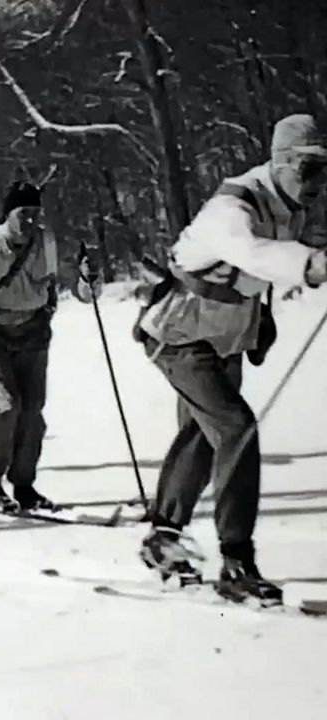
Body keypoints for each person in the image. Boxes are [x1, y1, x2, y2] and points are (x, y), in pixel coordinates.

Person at [134, 114, 327, 605]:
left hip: (226, 336)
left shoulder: (294, 205)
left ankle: (163, 536)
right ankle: (237, 561)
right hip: (179, 334)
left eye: (323, 170)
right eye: (308, 169)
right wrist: (308, 264)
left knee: (202, 433)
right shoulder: (231, 205)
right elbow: (252, 252)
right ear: (280, 162)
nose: (316, 182)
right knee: (236, 428)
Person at [0, 180, 101, 513]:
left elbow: (82, 293)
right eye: (23, 213)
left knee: (32, 409)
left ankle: (24, 484)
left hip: (34, 331)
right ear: (9, 214)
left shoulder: (46, 244)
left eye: (35, 213)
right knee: (4, 402)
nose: (30, 220)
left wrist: (90, 278)